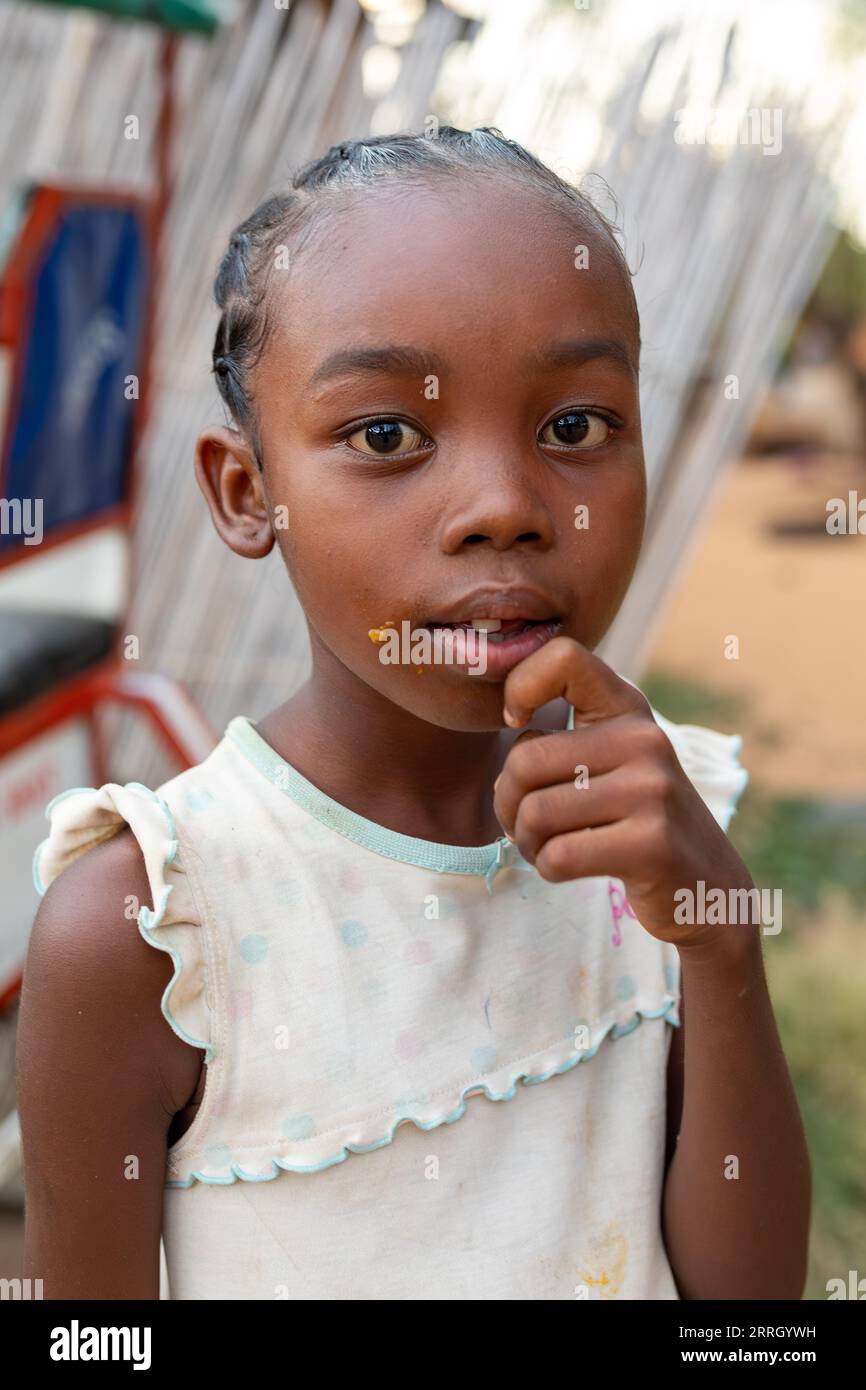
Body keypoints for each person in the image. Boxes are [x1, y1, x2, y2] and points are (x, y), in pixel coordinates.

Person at [19, 127, 810, 1300]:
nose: (502, 507)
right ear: (249, 494)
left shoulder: (646, 835)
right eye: (384, 435)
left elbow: (747, 1311)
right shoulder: (155, 927)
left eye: (574, 426)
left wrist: (720, 939)